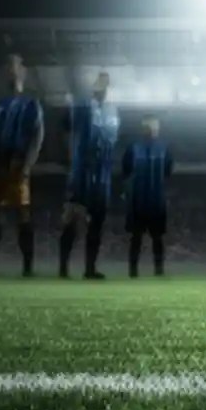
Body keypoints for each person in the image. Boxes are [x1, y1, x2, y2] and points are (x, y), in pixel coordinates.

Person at [0, 54, 44, 277]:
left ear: (23, 71)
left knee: (22, 213)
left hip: (16, 161)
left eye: (15, 66)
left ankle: (27, 267)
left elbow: (36, 137)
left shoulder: (31, 103)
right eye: (8, 67)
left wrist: (27, 165)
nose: (11, 71)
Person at [59, 71, 119, 279]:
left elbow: (112, 141)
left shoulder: (112, 112)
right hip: (81, 171)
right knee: (72, 218)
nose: (103, 85)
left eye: (106, 81)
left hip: (102, 175)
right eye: (99, 81)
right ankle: (63, 268)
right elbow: (66, 124)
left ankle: (90, 268)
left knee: (97, 222)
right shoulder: (83, 106)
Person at [121, 115, 174, 278]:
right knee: (136, 238)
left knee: (157, 238)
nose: (152, 130)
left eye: (154, 127)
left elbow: (168, 171)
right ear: (143, 129)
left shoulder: (164, 148)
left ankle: (158, 270)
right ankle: (133, 271)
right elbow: (126, 170)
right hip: (138, 201)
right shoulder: (133, 148)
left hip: (155, 200)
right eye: (149, 127)